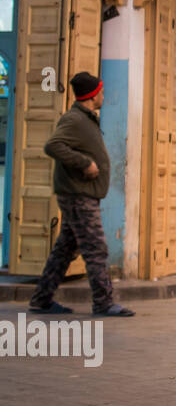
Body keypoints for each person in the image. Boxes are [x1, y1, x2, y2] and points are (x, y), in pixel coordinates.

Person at [29, 72, 133, 317]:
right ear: (92, 95)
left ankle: (41, 300)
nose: (103, 95)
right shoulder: (75, 119)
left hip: (82, 194)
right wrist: (84, 163)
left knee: (65, 249)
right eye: (101, 91)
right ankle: (104, 302)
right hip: (78, 195)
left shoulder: (86, 118)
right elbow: (52, 145)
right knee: (96, 248)